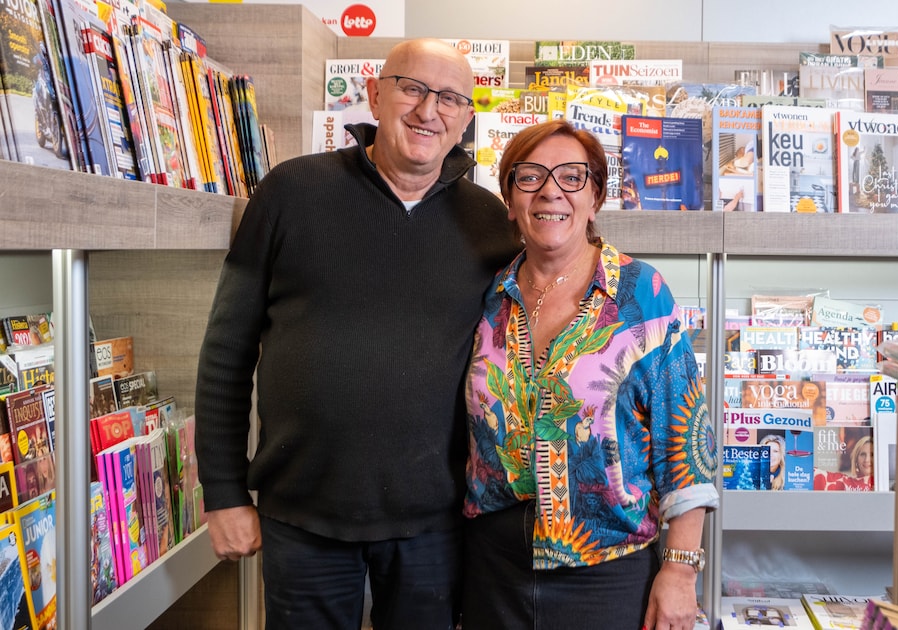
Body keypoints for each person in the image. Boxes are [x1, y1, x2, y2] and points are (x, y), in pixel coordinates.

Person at [194, 38, 521, 630]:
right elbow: (226, 351)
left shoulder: (490, 223)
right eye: (413, 88)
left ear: (466, 117)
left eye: (449, 98)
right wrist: (223, 491)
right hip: (303, 518)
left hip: (437, 526)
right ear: (374, 93)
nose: (429, 111)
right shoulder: (289, 192)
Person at [460, 119, 719, 630]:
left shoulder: (640, 293)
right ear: (509, 200)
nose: (550, 190)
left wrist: (681, 571)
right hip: (492, 569)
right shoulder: (490, 296)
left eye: (572, 176)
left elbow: (687, 443)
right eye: (529, 176)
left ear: (595, 196)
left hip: (607, 574)